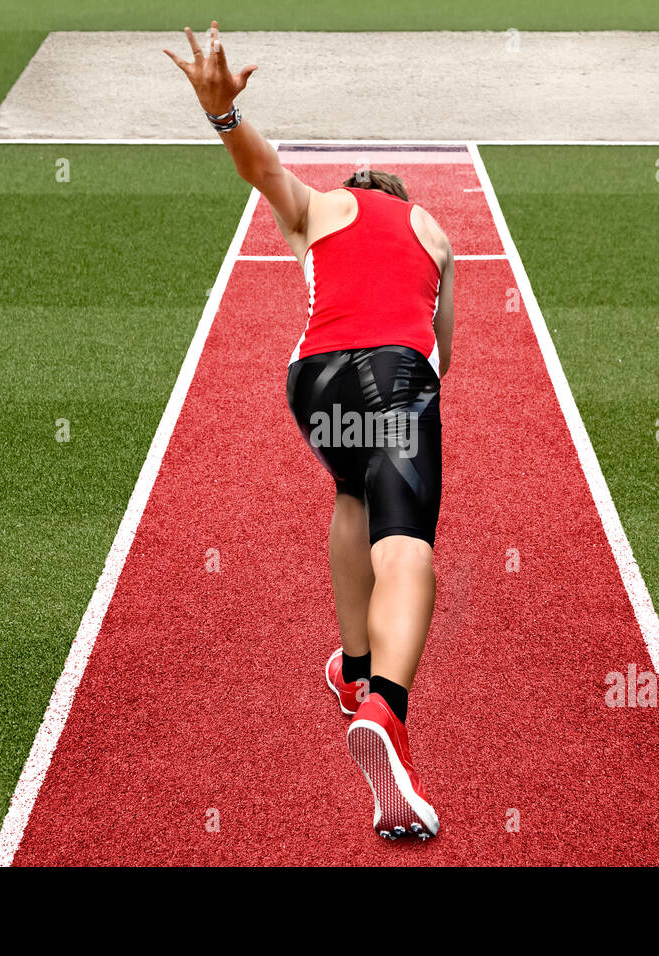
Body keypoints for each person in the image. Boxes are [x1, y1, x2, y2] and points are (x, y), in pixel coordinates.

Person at [166, 21, 454, 841]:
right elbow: (441, 354)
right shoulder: (430, 229)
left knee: (351, 487)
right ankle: (385, 710)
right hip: (397, 370)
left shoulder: (321, 209)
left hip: (313, 378)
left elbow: (262, 170)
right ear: (401, 196)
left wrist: (221, 113)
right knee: (407, 544)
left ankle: (353, 665)